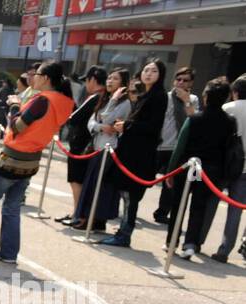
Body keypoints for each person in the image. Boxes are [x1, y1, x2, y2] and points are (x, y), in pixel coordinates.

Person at [0, 62, 74, 265]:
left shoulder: (42, 100)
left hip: (12, 159)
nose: (33, 78)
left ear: (46, 78)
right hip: (31, 160)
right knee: (12, 208)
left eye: (37, 74)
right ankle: (8, 254)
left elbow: (17, 125)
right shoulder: (63, 101)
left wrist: (14, 105)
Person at [165, 79, 236, 258]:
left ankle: (171, 242)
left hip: (187, 166)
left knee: (179, 203)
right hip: (211, 170)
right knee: (199, 206)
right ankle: (190, 243)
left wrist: (171, 170)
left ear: (205, 97)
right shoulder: (229, 121)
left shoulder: (194, 118)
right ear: (225, 98)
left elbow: (180, 145)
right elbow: (228, 147)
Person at [99, 61, 168, 247]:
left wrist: (126, 125)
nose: (149, 74)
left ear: (161, 74)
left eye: (154, 71)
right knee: (126, 194)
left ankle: (125, 233)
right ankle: (124, 229)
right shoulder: (146, 95)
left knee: (131, 195)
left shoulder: (158, 96)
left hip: (140, 155)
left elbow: (152, 127)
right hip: (131, 152)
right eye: (146, 70)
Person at [66, 68, 130, 231]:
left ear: (123, 84)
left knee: (101, 187)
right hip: (97, 147)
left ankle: (95, 220)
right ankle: (89, 218)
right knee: (92, 185)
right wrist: (101, 127)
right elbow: (92, 122)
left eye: (115, 79)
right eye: (109, 78)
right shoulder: (104, 99)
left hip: (110, 150)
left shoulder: (125, 102)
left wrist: (113, 102)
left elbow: (108, 118)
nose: (109, 81)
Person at [57, 67, 107, 221]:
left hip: (81, 145)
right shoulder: (103, 97)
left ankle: (77, 214)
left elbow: (74, 118)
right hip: (89, 144)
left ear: (92, 79)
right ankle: (78, 213)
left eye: (87, 80)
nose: (86, 84)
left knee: (76, 180)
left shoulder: (94, 97)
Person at [154, 66, 201, 223]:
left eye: (185, 80)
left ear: (191, 83)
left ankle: (161, 212)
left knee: (170, 183)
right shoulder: (165, 97)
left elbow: (194, 120)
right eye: (178, 79)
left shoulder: (193, 100)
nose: (180, 83)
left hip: (175, 148)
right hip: (159, 143)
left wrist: (186, 101)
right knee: (144, 176)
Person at [211, 74, 246, 263]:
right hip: (245, 169)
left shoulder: (226, 108)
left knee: (211, 203)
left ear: (234, 92)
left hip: (224, 165)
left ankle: (196, 240)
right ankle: (226, 249)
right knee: (236, 210)